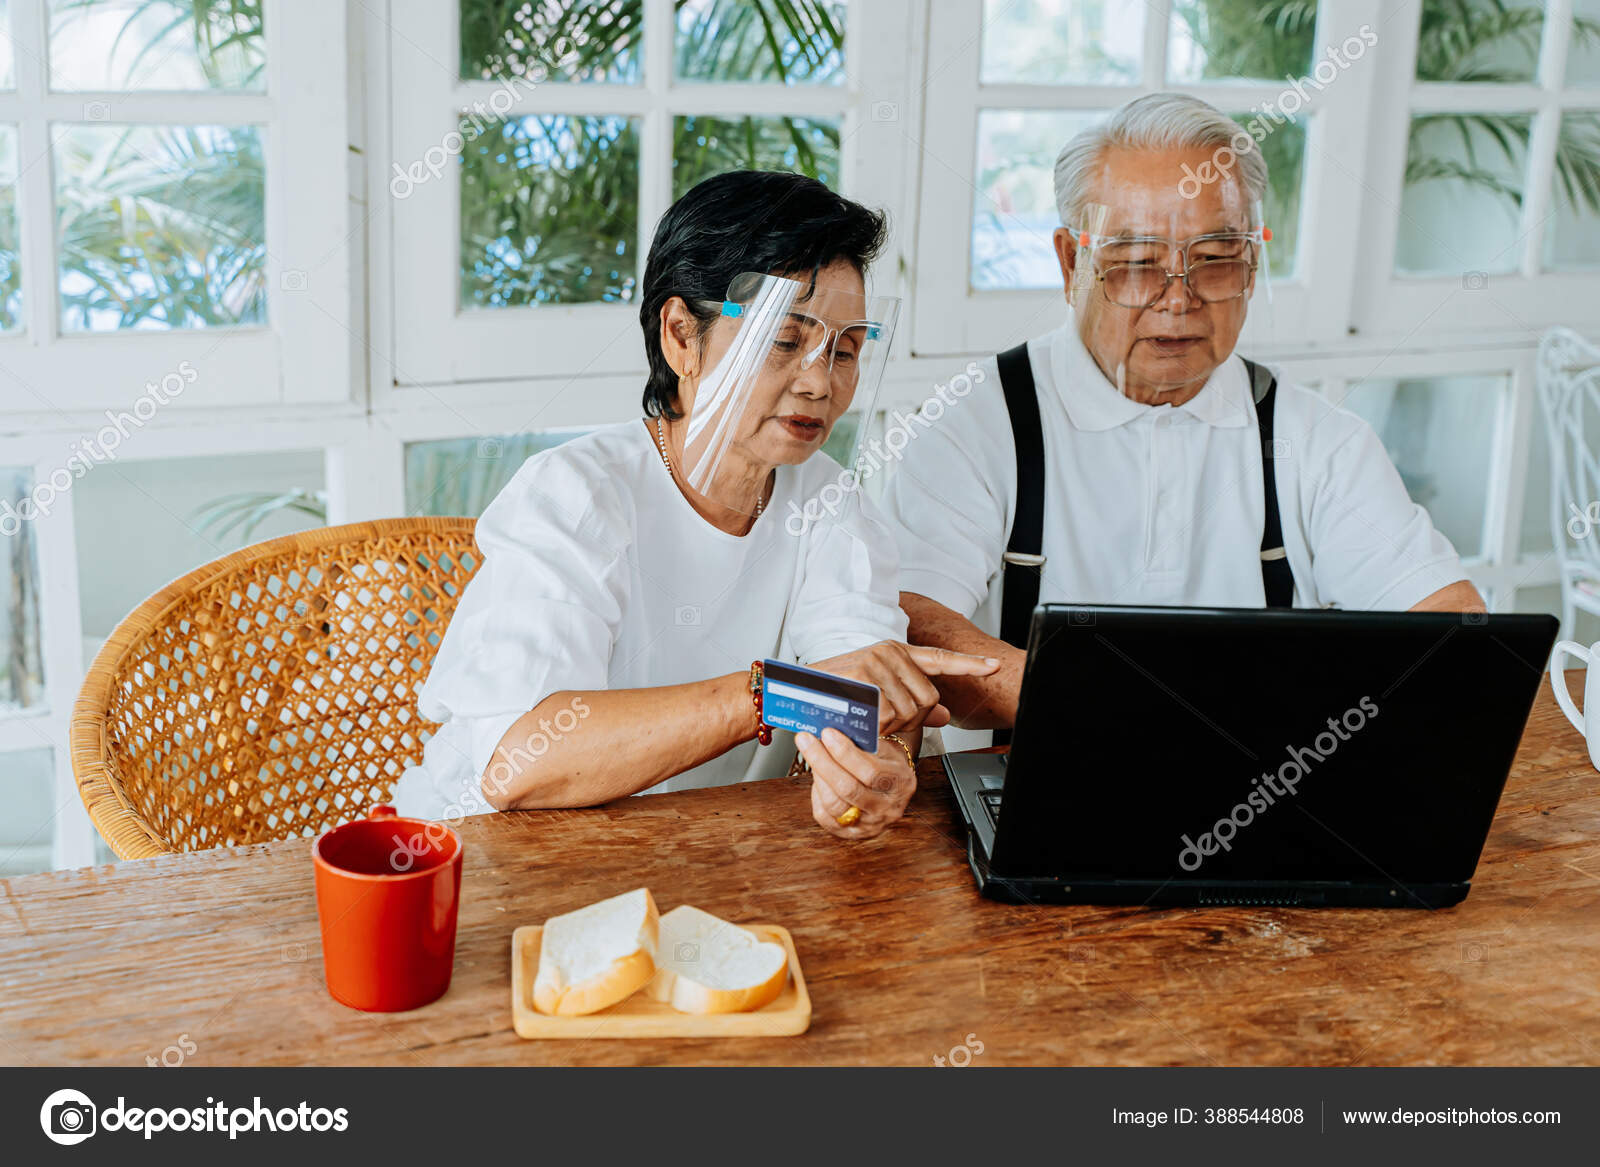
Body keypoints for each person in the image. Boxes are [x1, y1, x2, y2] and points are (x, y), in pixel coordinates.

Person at [394, 170, 996, 837]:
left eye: (846, 350)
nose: (821, 382)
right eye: (786, 341)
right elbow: (517, 764)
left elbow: (859, 700)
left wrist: (868, 775)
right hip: (489, 858)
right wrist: (776, 694)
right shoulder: (577, 494)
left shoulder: (830, 506)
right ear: (681, 334)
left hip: (690, 853)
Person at [883, 93, 1482, 735]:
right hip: (1032, 775)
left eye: (1217, 259)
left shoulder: (1314, 439)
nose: (1179, 299)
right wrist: (1114, 710)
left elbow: (1454, 623)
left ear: (1251, 265)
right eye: (1138, 263)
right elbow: (911, 620)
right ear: (1070, 263)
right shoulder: (975, 425)